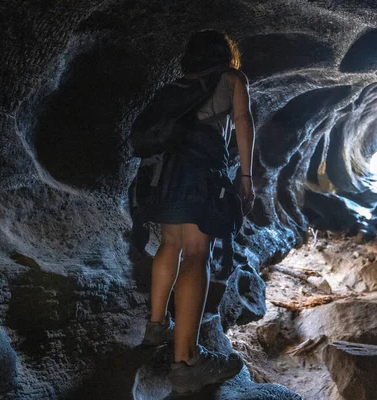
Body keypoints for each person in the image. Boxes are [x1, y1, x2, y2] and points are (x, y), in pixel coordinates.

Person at [136, 30, 255, 394]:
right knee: (197, 253)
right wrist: (246, 178)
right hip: (202, 174)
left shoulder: (176, 87)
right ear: (225, 55)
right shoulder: (232, 79)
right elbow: (244, 123)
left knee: (169, 245)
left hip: (165, 176)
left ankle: (156, 328)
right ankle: (187, 360)